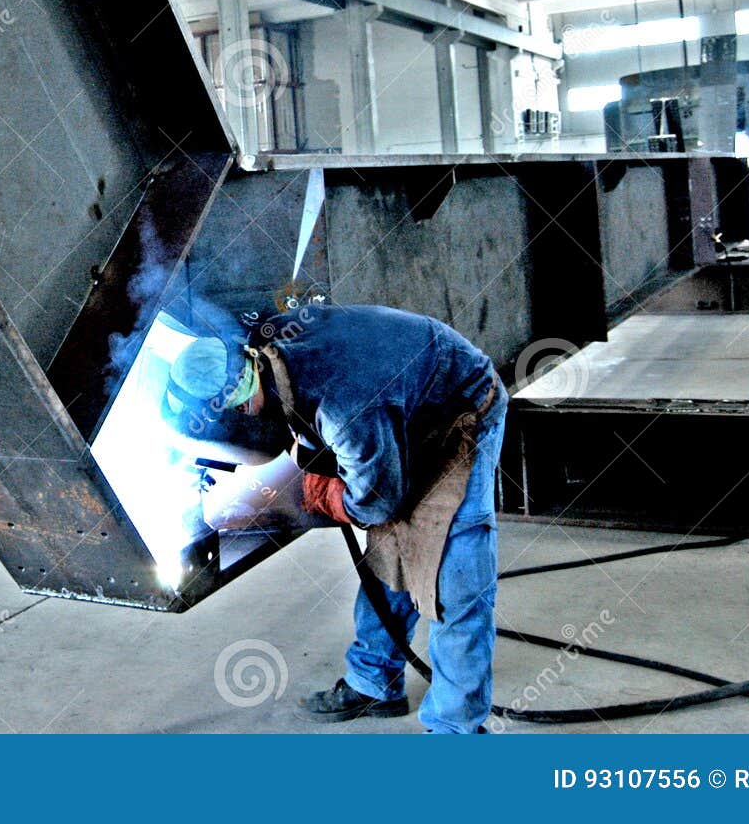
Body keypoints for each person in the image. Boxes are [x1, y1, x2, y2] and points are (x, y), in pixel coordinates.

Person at [169, 303, 506, 734]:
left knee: (455, 576)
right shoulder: (268, 346)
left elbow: (376, 504)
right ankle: (374, 681)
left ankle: (455, 728)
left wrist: (331, 498)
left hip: (462, 410)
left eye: (238, 412)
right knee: (387, 555)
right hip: (400, 406)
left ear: (233, 397)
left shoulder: (345, 408)